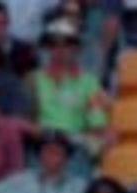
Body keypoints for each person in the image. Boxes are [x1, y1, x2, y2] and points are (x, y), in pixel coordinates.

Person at [27, 19, 109, 153]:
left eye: (66, 44)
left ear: (76, 48)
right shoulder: (33, 79)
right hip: (41, 146)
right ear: (47, 48)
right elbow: (25, 122)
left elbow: (97, 124)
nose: (59, 50)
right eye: (53, 45)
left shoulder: (89, 82)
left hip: (75, 148)